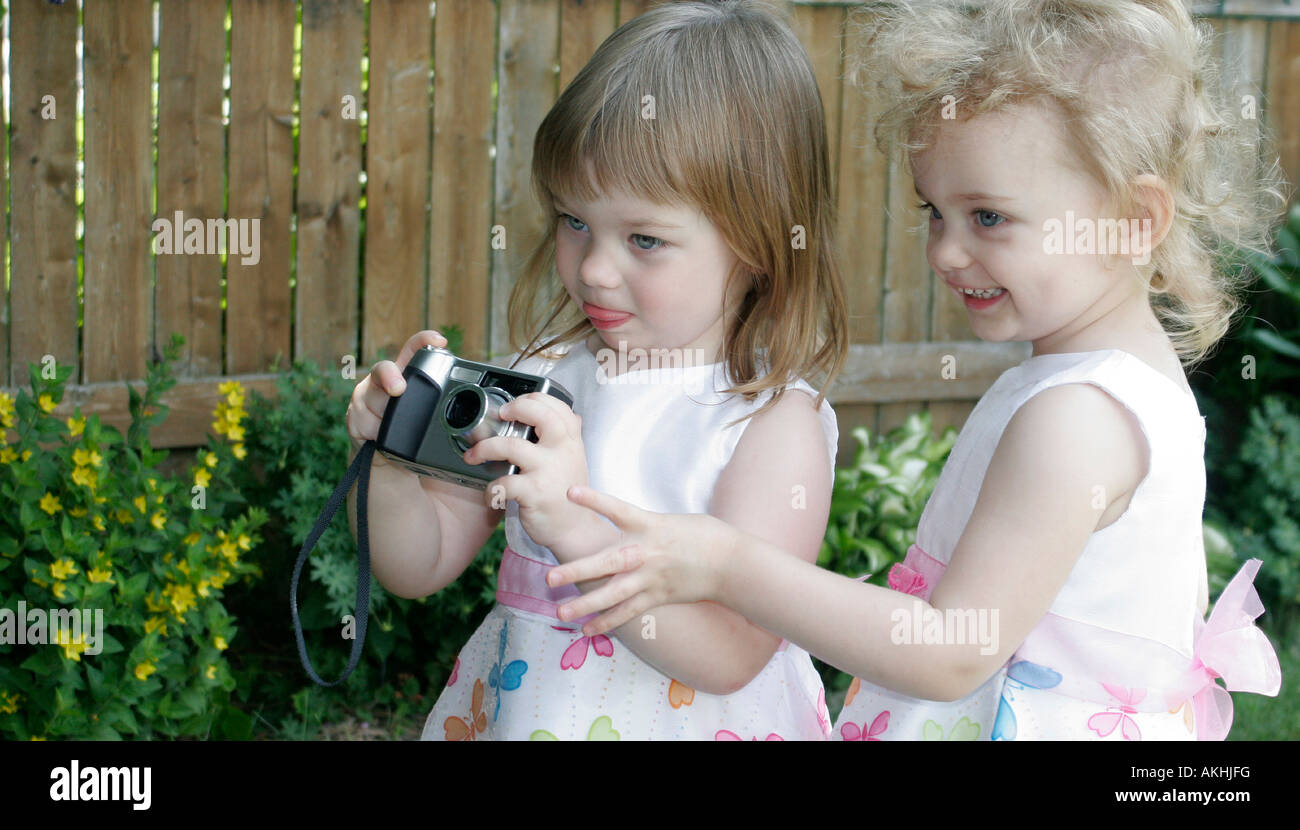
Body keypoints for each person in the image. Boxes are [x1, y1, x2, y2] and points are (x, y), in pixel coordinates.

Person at [548, 0, 1284, 740]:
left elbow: (951, 650)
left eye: (987, 217)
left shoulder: (1079, 417)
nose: (944, 251)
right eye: (935, 211)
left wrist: (729, 566)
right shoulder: (1112, 383)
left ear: (1134, 218)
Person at [345, 0, 847, 740]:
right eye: (574, 222)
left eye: (644, 239)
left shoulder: (770, 424)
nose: (596, 269)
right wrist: (387, 461)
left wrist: (577, 533)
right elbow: (416, 566)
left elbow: (732, 654)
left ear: (759, 242)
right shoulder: (540, 383)